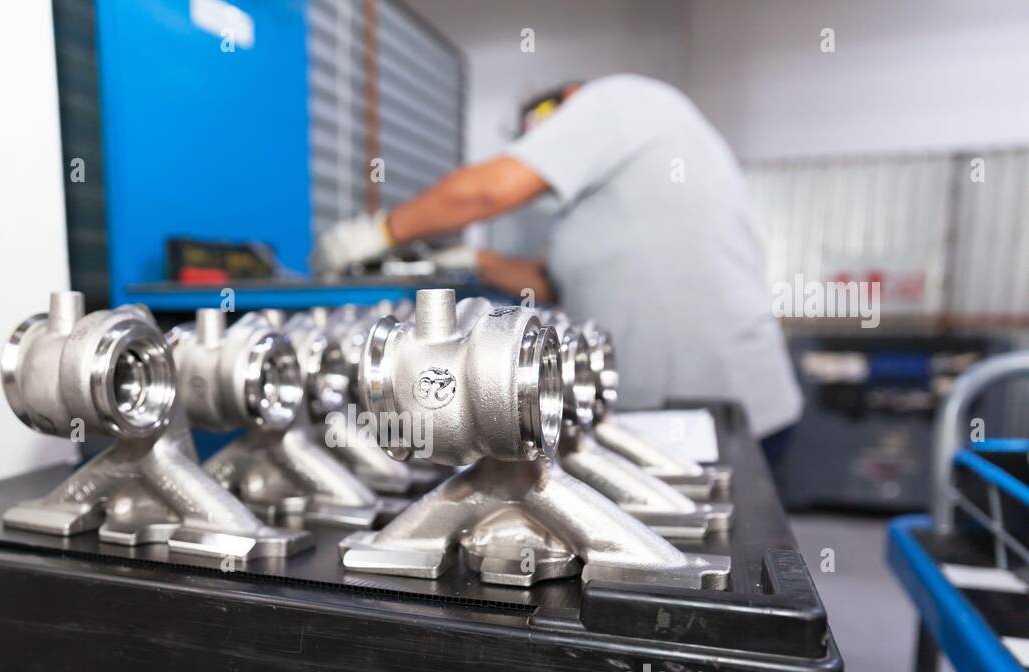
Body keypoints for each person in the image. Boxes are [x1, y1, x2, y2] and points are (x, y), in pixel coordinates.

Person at [311, 74, 802, 466]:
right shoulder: (616, 180)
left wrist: (379, 233)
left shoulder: (618, 99)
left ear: (564, 107)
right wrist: (472, 261)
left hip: (713, 410)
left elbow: (486, 191)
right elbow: (551, 283)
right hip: (658, 407)